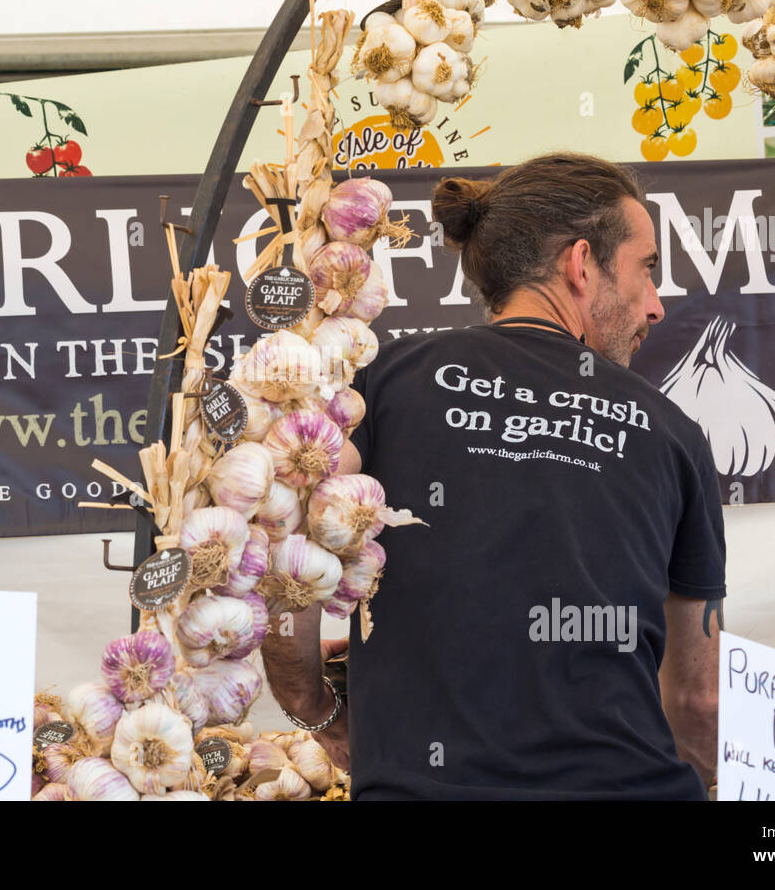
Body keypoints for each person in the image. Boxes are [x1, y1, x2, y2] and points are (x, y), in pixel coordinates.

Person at [261, 152, 725, 800]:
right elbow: (699, 701)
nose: (655, 306)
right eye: (647, 270)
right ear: (581, 263)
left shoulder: (387, 382)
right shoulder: (673, 432)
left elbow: (285, 552)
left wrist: (318, 709)